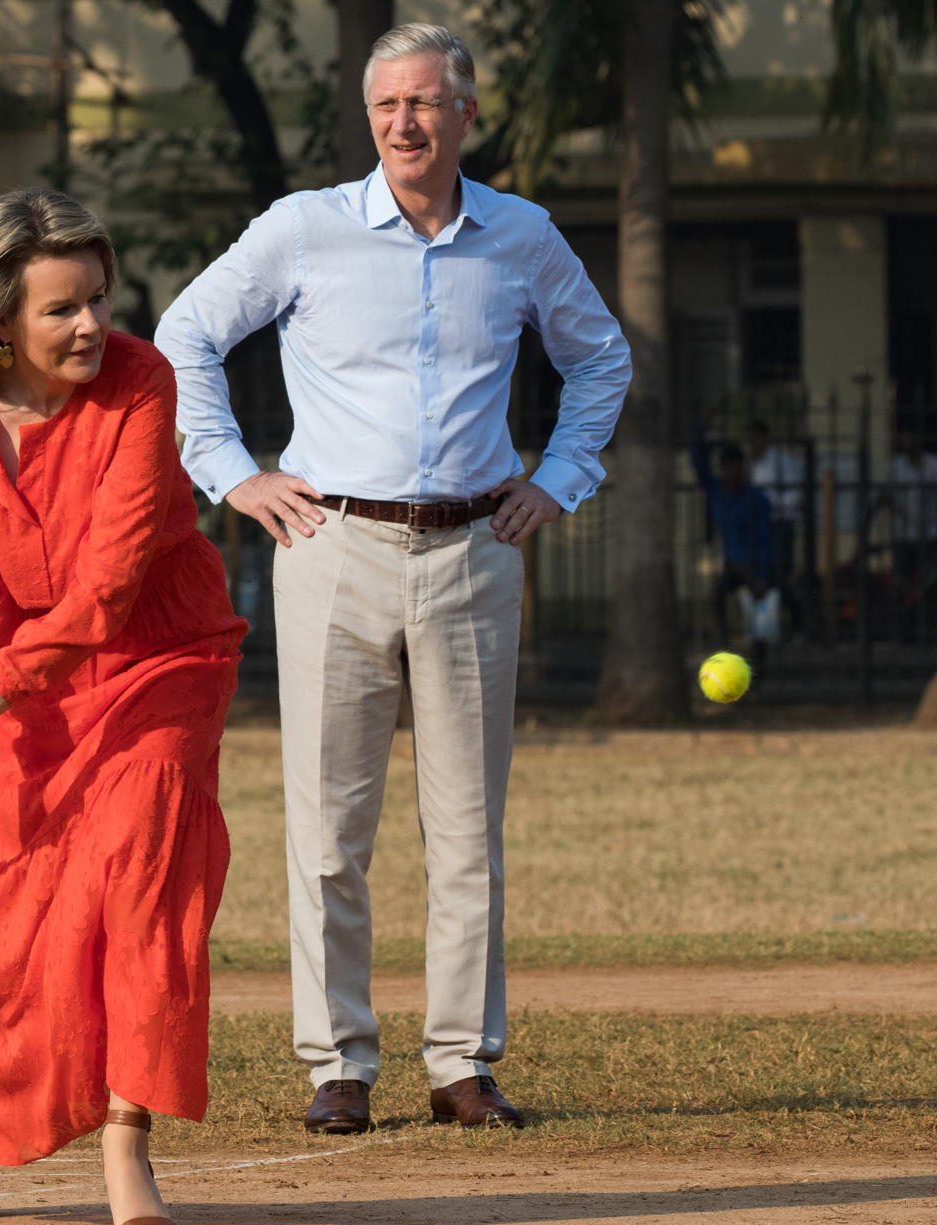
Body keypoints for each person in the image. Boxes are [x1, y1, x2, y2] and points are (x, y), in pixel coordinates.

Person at [156, 23, 630, 1135]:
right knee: (329, 827)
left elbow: (600, 356)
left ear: (467, 113)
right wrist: (234, 475)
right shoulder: (303, 229)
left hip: (475, 549)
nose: (404, 123)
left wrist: (557, 482)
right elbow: (184, 336)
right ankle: (338, 1063)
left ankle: (462, 1063)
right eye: (386, 106)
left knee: (467, 827)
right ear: (367, 117)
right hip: (332, 547)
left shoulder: (520, 236)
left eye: (423, 102)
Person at [0, 189, 245, 1225]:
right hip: (36, 676)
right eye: (62, 308)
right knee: (12, 894)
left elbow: (107, 590)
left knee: (137, 880)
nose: (91, 324)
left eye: (99, 298)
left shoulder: (140, 381)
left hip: (161, 659)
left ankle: (125, 1139)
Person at [690, 434, 774, 659]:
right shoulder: (718, 492)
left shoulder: (755, 499)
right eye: (729, 468)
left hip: (753, 564)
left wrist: (762, 575)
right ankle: (723, 644)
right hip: (732, 564)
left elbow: (765, 539)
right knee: (716, 595)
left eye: (738, 467)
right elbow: (699, 465)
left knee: (759, 609)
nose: (734, 473)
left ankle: (760, 657)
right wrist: (701, 432)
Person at [883, 427, 937, 641]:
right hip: (903, 533)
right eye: (905, 437)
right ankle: (905, 628)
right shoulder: (895, 467)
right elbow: (888, 498)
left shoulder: (934, 465)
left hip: (930, 532)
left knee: (928, 582)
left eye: (912, 437)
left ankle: (926, 627)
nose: (909, 441)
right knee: (902, 582)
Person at [746, 420, 803, 636]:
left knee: (780, 575)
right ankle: (768, 628)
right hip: (757, 526)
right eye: (750, 440)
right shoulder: (750, 465)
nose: (753, 444)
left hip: (779, 523)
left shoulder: (781, 460)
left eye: (756, 439)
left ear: (764, 438)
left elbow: (795, 493)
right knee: (762, 576)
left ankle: (796, 621)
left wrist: (773, 507)